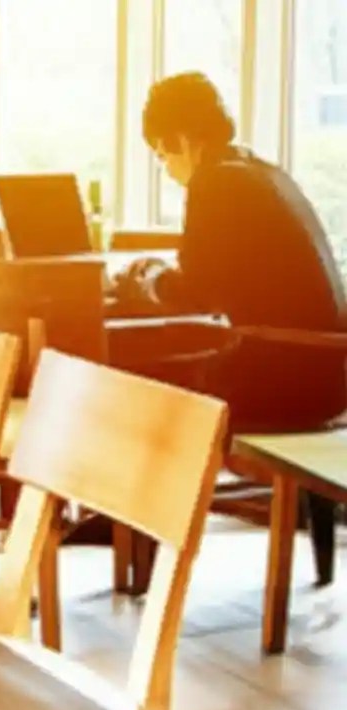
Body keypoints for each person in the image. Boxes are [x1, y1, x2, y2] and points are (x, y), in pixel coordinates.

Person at [119, 71, 345, 582]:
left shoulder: (215, 182)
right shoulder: (263, 171)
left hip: (281, 379)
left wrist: (149, 280)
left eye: (161, 154)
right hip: (327, 374)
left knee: (143, 388)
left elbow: (199, 289)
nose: (167, 168)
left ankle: (144, 544)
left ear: (178, 139)